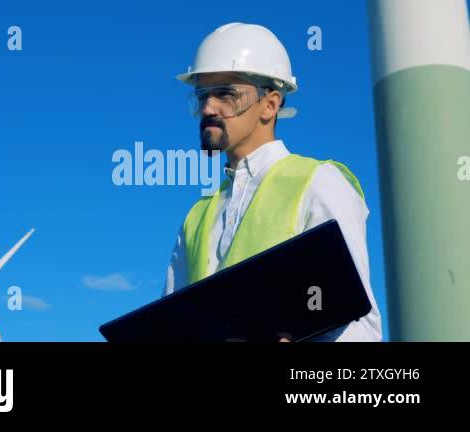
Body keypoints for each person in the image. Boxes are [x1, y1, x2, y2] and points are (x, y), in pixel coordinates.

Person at [162, 23, 382, 341]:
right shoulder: (195, 218)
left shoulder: (319, 183)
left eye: (226, 93)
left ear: (270, 104)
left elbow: (359, 330)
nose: (208, 108)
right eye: (202, 95)